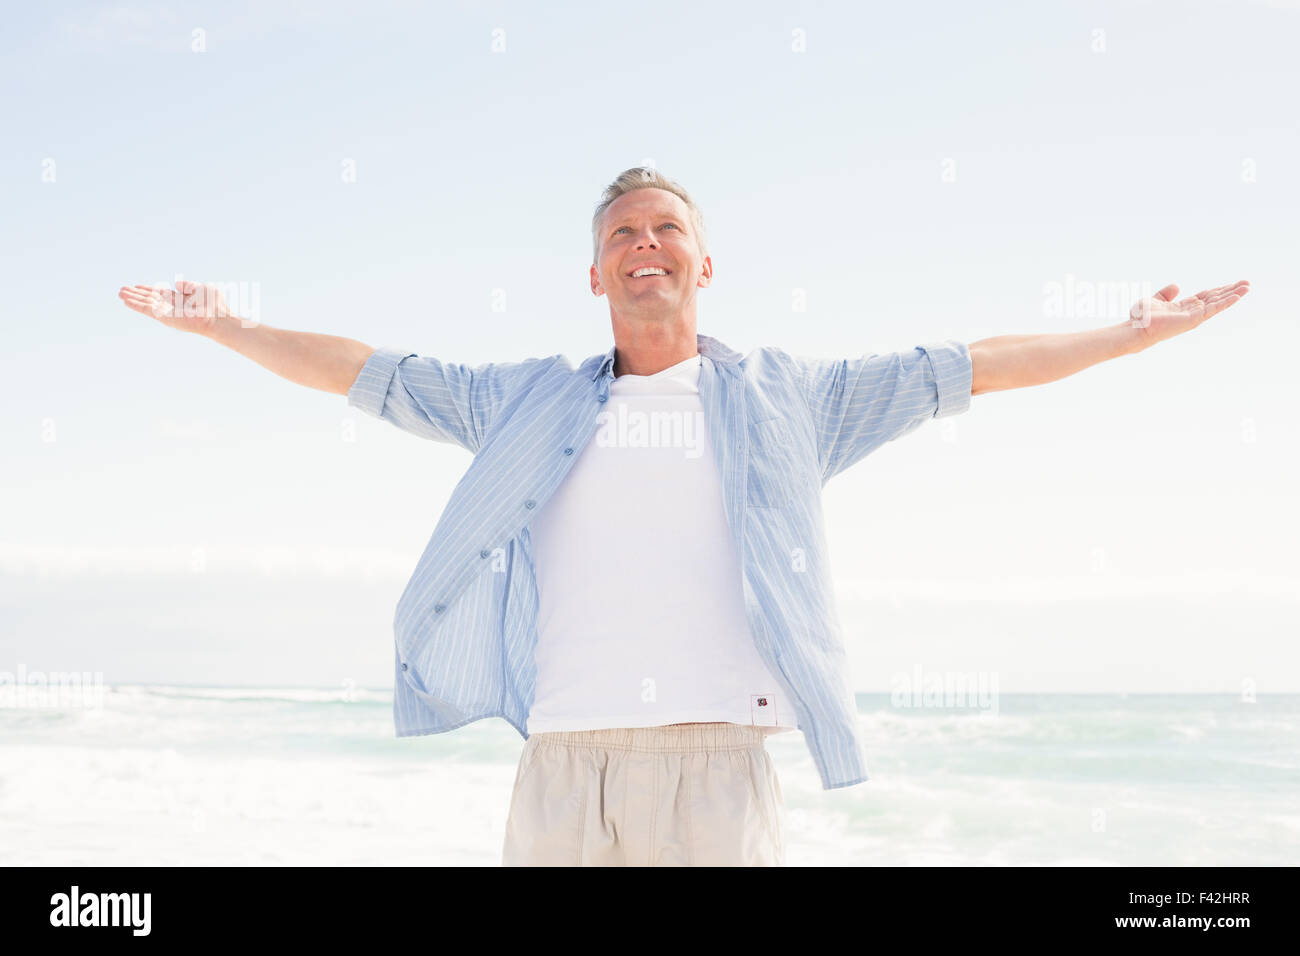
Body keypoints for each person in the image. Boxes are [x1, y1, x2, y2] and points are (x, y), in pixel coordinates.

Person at [118, 167, 1250, 866]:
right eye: (621, 234)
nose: (643, 244)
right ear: (594, 274)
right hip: (565, 760)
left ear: (702, 259)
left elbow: (965, 365)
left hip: (719, 762)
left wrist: (1126, 334)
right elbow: (368, 369)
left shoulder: (789, 399)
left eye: (662, 228)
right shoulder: (526, 402)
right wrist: (226, 327)